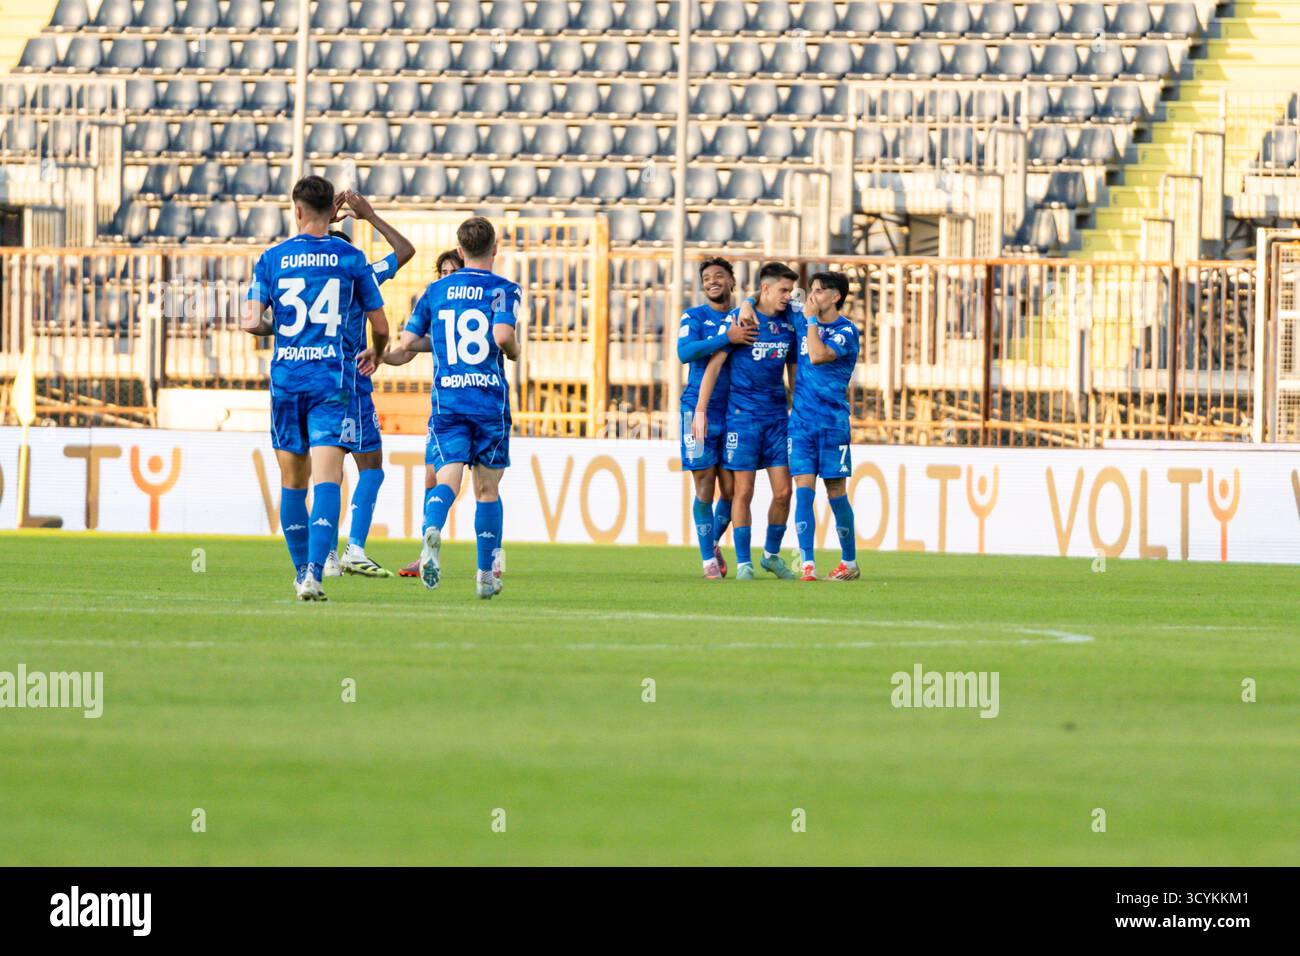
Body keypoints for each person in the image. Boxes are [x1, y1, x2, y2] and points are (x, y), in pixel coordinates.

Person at [241, 175, 389, 601]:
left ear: (298, 210)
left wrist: (281, 329)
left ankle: (299, 569)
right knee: (329, 477)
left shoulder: (271, 258)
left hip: (287, 381)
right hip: (332, 383)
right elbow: (380, 326)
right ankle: (315, 576)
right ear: (332, 212)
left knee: (292, 482)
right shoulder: (352, 258)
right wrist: (377, 352)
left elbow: (250, 320)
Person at [382, 219, 520, 599]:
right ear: (495, 248)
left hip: (448, 403)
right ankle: (485, 577)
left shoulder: (436, 290)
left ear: (459, 251)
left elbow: (408, 341)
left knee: (448, 481)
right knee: (487, 490)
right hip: (489, 401)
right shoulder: (505, 289)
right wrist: (514, 351)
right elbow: (503, 336)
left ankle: (431, 529)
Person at [314, 190, 414, 579]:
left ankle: (324, 556)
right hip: (350, 383)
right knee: (370, 467)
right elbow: (406, 250)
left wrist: (321, 220)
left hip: (310, 382)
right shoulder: (360, 272)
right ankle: (353, 548)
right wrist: (369, 216)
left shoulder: (304, 275)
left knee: (326, 472)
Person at [692, 262, 799, 581]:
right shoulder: (740, 322)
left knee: (783, 493)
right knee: (743, 491)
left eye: (791, 291)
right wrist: (700, 410)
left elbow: (792, 374)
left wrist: (797, 411)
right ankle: (743, 564)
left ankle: (770, 556)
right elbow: (712, 368)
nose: (788, 297)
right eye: (783, 290)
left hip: (777, 419)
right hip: (743, 418)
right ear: (766, 288)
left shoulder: (789, 322)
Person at [676, 257, 755, 579]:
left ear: (732, 281)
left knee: (732, 489)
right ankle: (708, 559)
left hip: (735, 410)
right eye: (707, 277)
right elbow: (685, 353)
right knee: (703, 484)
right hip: (695, 409)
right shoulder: (694, 316)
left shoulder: (745, 318)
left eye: (719, 276)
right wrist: (727, 338)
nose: (712, 281)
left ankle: (712, 543)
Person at [788, 272, 861, 582]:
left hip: (832, 425)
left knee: (836, 492)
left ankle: (850, 563)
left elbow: (818, 356)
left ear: (835, 298)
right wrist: (750, 302)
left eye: (819, 291)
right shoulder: (804, 318)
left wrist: (811, 322)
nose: (812, 296)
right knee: (803, 492)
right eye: (812, 290)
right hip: (801, 423)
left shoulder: (846, 331)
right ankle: (807, 564)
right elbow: (771, 297)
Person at [398, 249, 465, 578]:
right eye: (443, 271)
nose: (447, 277)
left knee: (484, 485)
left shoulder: (464, 307)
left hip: (458, 406)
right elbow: (410, 347)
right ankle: (426, 552)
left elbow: (410, 343)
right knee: (431, 477)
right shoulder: (439, 310)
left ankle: (493, 561)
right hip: (442, 405)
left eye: (454, 271)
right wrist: (382, 357)